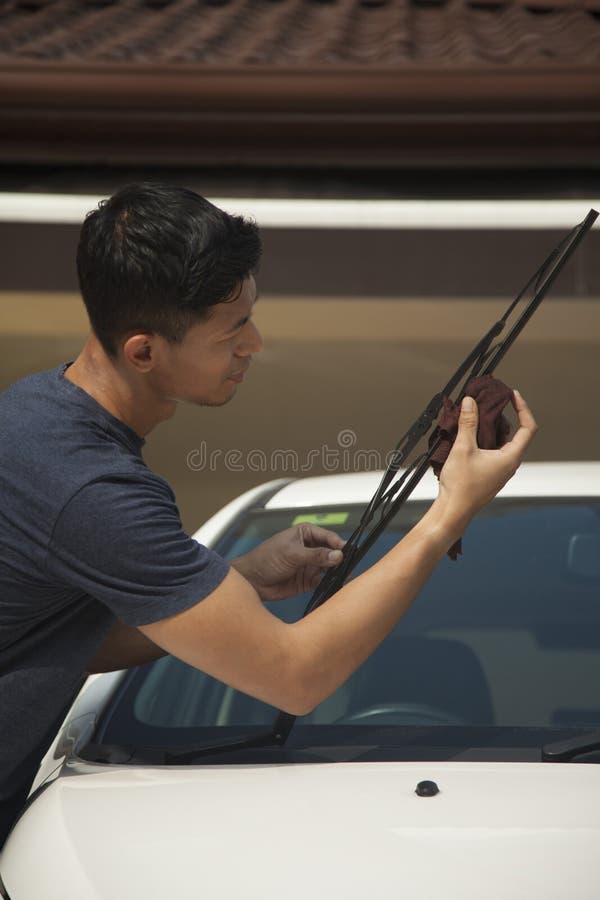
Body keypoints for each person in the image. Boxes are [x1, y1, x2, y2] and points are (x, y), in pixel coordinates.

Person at [0, 183, 537, 848]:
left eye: (250, 316)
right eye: (231, 332)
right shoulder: (93, 488)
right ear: (143, 351)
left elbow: (67, 642)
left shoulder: (32, 416)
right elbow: (295, 675)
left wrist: (239, 580)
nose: (254, 343)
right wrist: (449, 513)